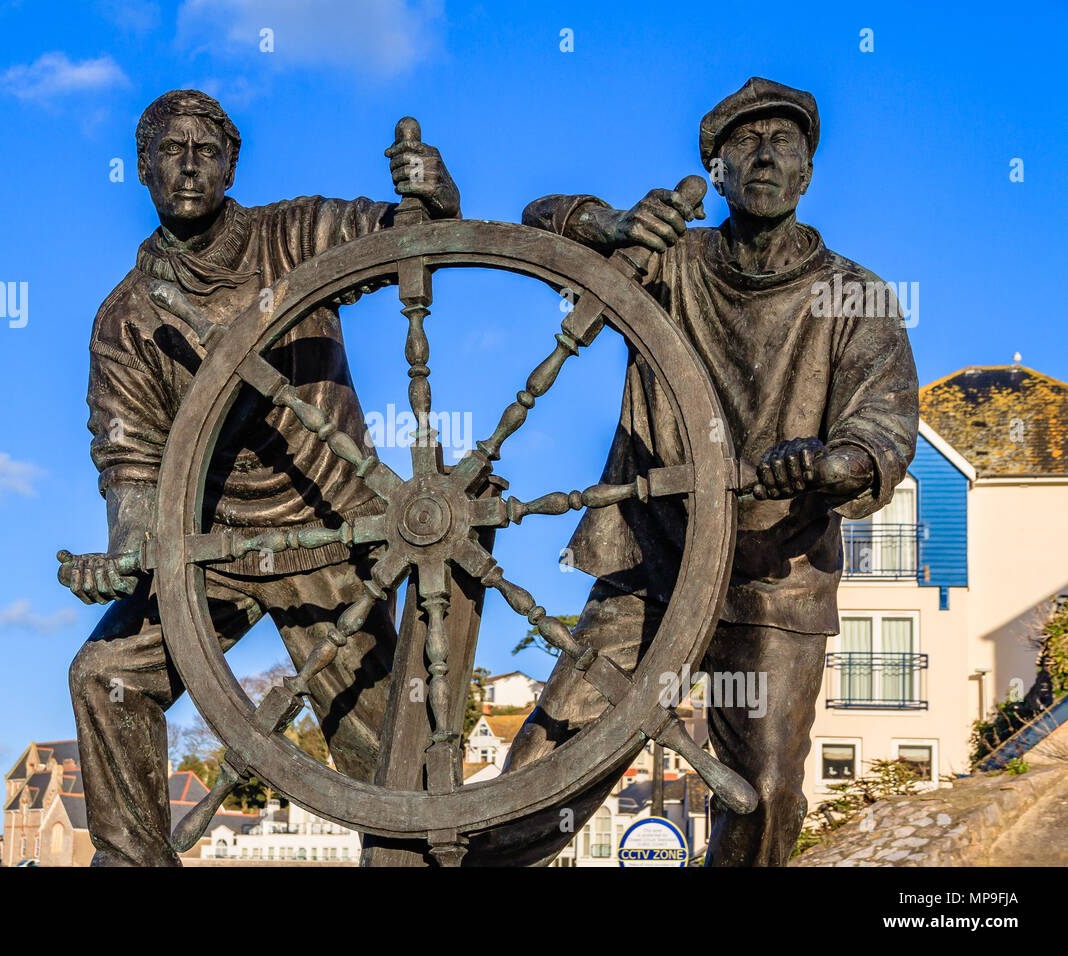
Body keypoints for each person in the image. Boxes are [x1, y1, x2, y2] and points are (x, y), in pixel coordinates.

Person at [495, 77, 918, 866]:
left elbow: (884, 426)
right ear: (714, 171)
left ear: (808, 171)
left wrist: (830, 463)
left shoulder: (857, 298)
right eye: (743, 143)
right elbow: (536, 226)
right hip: (653, 562)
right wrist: (611, 221)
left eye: (783, 142)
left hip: (775, 573)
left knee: (765, 791)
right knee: (539, 775)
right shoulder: (666, 263)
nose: (764, 156)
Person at [57, 90, 460, 866]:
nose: (188, 167)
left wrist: (433, 192)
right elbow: (132, 462)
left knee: (390, 774)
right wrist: (126, 552)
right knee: (105, 676)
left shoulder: (292, 234)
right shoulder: (126, 320)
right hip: (216, 553)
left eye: (206, 152)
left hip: (333, 538)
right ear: (141, 167)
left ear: (232, 165)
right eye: (170, 151)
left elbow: (410, 239)